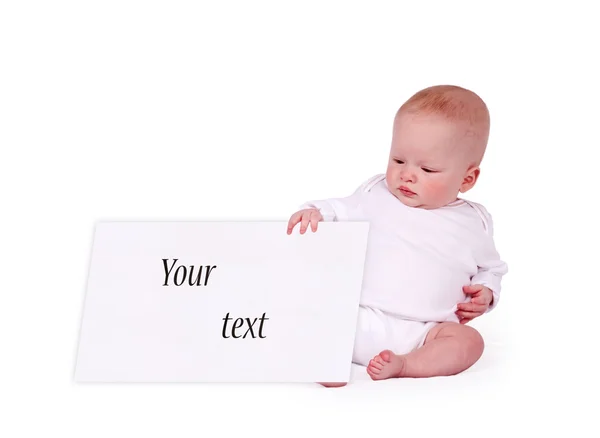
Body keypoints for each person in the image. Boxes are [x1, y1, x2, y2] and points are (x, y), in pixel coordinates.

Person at [286, 85, 508, 387]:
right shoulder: (375, 193)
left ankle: (406, 365)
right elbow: (340, 209)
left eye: (427, 169)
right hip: (358, 315)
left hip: (425, 332)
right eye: (399, 160)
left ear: (467, 179)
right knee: (308, 308)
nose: (407, 175)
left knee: (469, 342)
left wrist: (486, 292)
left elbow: (490, 269)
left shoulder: (473, 222)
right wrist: (316, 212)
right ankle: (326, 359)